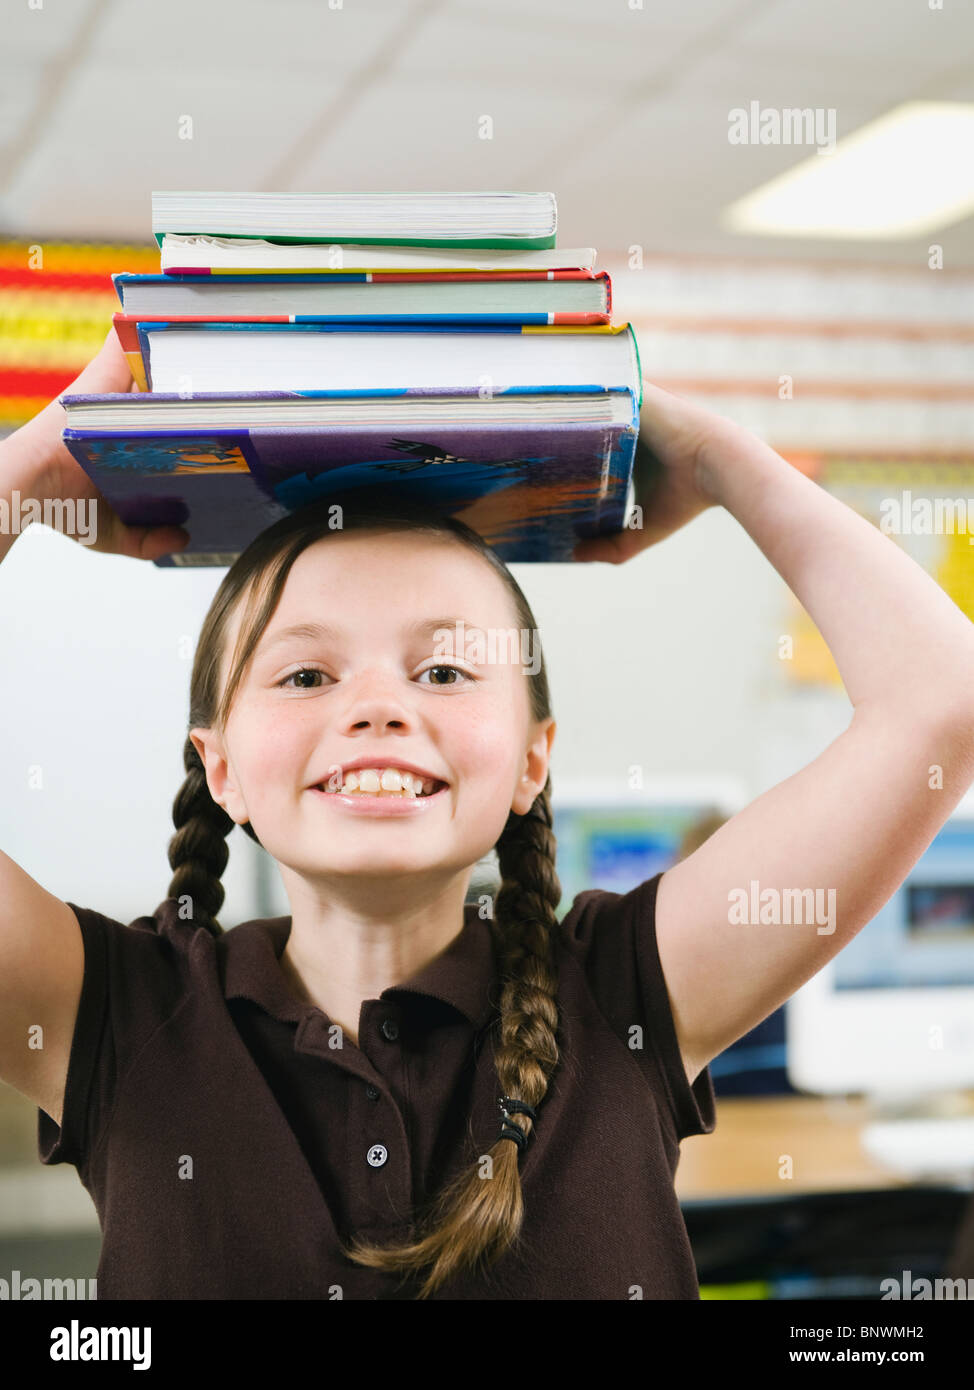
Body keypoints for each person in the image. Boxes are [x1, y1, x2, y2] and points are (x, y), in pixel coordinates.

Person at [2, 329, 974, 1301]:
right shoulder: (117, 1015)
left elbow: (938, 699)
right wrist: (38, 463)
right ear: (221, 769)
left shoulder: (625, 993)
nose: (378, 707)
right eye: (306, 672)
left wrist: (712, 457)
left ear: (530, 758)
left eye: (443, 669)